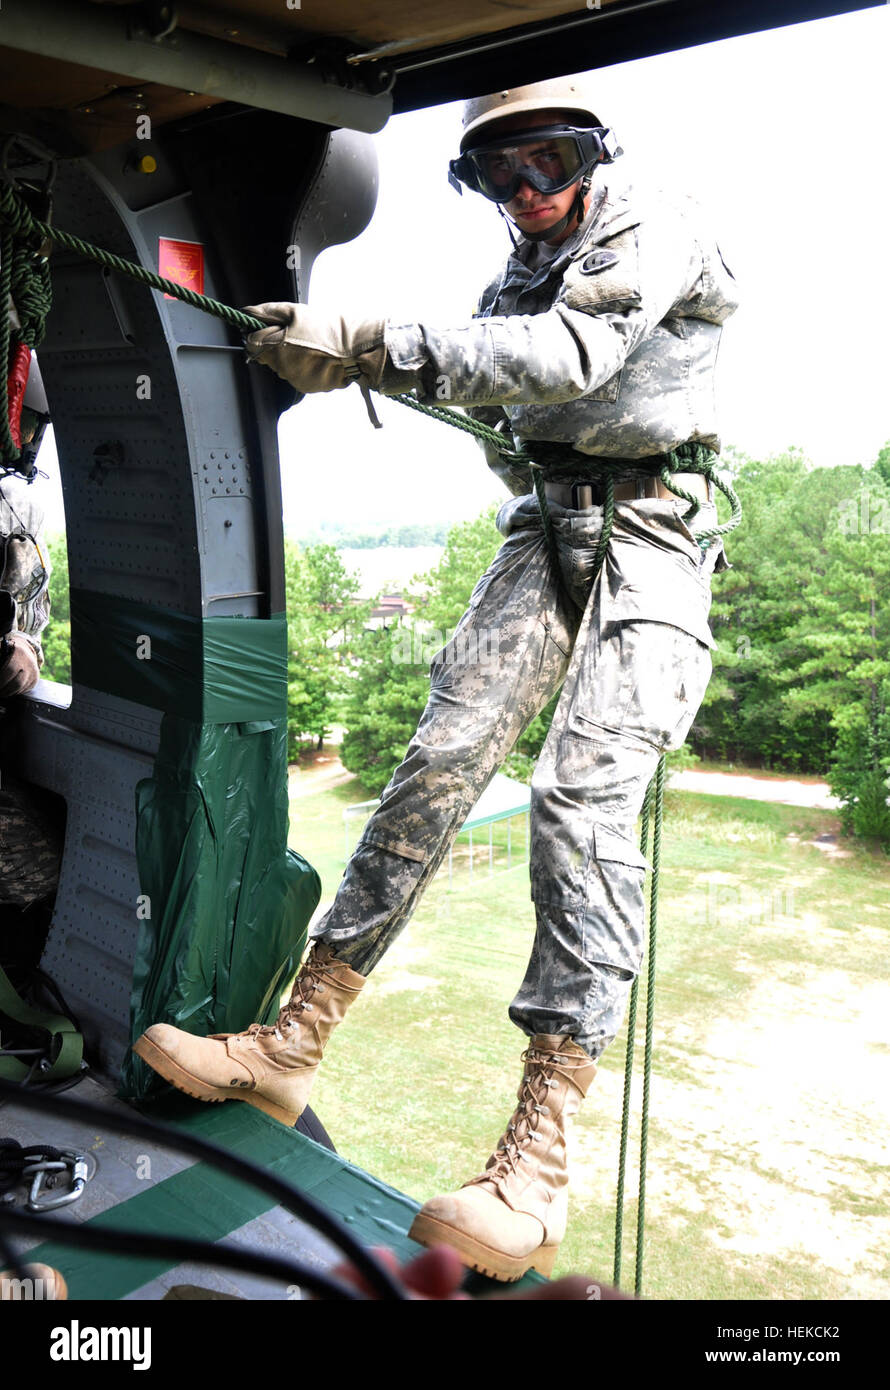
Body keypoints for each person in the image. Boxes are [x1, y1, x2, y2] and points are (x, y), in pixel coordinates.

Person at [135, 77, 739, 1282]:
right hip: (546, 527)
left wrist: (368, 340)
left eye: (547, 163)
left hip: (655, 538)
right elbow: (505, 388)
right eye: (495, 178)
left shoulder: (650, 222)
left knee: (577, 807)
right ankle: (295, 1038)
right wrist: (349, 364)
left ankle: (536, 1161)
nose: (527, 197)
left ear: (592, 154)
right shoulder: (514, 273)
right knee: (436, 765)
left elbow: (567, 359)